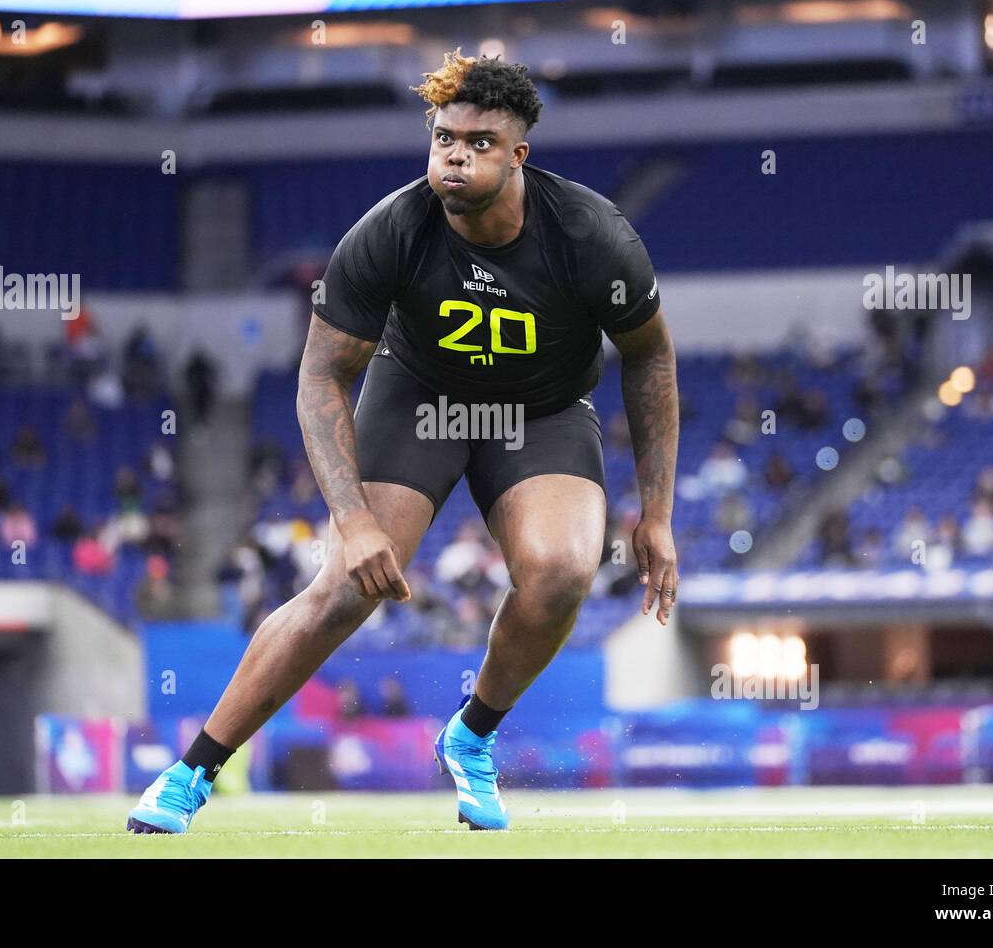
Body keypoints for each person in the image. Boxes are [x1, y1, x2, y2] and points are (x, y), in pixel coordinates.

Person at [128, 48, 679, 835]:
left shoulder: (592, 233)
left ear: (519, 154)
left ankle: (471, 734)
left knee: (561, 573)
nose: (455, 156)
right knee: (342, 589)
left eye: (479, 143)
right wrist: (350, 522)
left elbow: (651, 354)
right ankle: (193, 771)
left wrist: (655, 512)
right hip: (420, 400)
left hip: (541, 413)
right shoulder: (390, 230)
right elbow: (318, 377)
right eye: (444, 138)